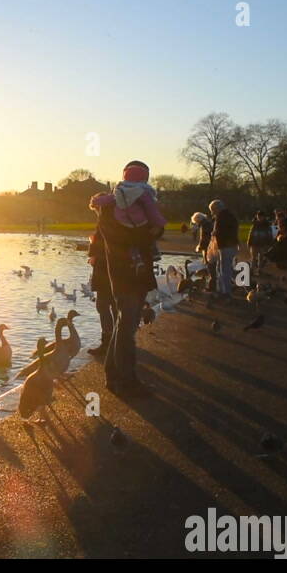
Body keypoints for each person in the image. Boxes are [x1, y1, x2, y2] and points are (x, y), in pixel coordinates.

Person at [91, 160, 165, 398]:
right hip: (126, 274)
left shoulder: (120, 206)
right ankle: (126, 380)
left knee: (125, 325)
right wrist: (149, 233)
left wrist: (152, 231)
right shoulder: (111, 210)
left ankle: (114, 376)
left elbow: (154, 230)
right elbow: (127, 239)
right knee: (127, 327)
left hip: (133, 273)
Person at [86, 227, 115, 358]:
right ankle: (116, 342)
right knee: (114, 307)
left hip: (105, 272)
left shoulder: (106, 221)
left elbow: (96, 253)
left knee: (102, 306)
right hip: (115, 272)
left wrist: (92, 243)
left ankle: (107, 343)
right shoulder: (116, 218)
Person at [208, 199, 239, 298]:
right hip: (230, 245)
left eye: (213, 210)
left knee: (224, 269)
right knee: (223, 268)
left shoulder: (221, 217)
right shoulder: (230, 215)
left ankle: (226, 292)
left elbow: (222, 231)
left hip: (226, 246)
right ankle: (223, 289)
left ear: (216, 209)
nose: (213, 213)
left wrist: (215, 233)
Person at [247, 211, 273, 276]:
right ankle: (252, 270)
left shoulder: (267, 225)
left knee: (261, 258)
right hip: (254, 244)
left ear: (264, 217)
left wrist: (270, 243)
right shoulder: (255, 225)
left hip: (263, 244)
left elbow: (270, 234)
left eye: (261, 216)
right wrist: (249, 242)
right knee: (253, 257)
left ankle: (260, 270)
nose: (259, 218)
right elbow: (251, 233)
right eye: (258, 216)